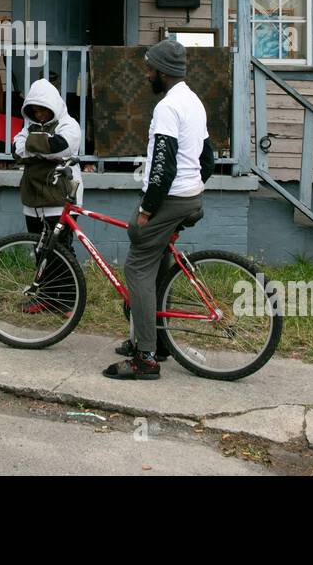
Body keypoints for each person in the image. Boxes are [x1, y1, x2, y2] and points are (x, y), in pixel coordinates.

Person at [104, 38, 212, 381]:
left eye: (150, 68)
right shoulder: (193, 101)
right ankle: (157, 340)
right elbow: (208, 158)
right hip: (188, 194)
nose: (146, 74)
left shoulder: (167, 107)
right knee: (157, 261)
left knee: (137, 265)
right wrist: (195, 185)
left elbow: (163, 164)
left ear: (163, 72)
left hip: (170, 197)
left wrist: (148, 209)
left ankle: (146, 358)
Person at [11, 79, 83, 313]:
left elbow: (61, 146)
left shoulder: (69, 125)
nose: (39, 114)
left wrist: (33, 148)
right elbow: (16, 150)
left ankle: (68, 300)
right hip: (33, 199)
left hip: (59, 199)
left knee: (61, 250)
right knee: (40, 248)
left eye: (44, 109)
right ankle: (46, 296)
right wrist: (41, 148)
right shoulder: (28, 126)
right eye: (35, 110)